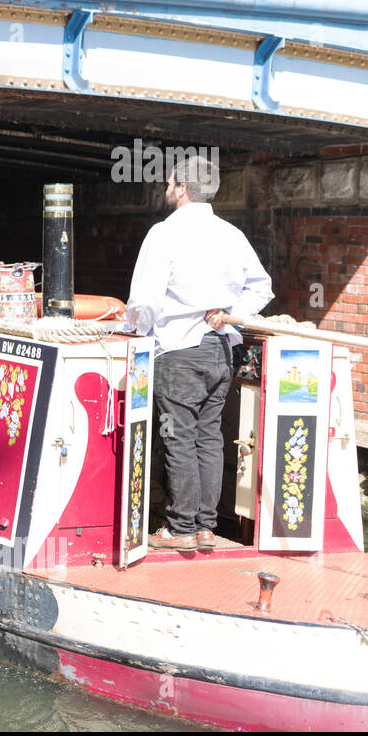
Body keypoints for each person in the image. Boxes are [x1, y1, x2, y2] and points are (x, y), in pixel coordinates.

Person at [124, 155, 273, 552]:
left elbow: (145, 300)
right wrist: (230, 316)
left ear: (183, 189)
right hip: (221, 349)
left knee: (178, 436)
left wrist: (133, 332)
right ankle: (206, 526)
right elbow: (263, 287)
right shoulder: (231, 234)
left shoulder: (164, 233)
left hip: (178, 350)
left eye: (170, 182)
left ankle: (180, 528)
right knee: (209, 436)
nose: (167, 188)